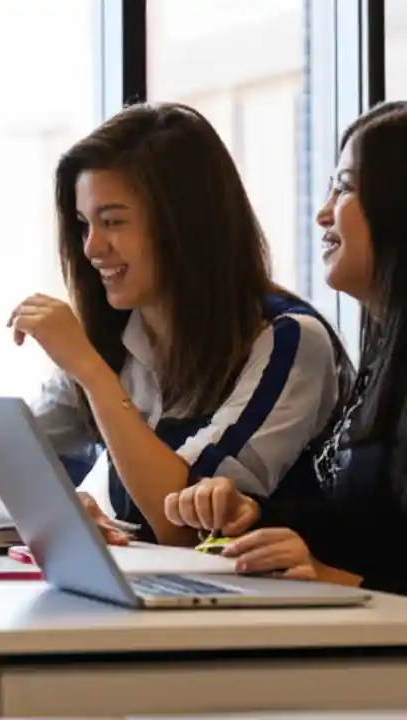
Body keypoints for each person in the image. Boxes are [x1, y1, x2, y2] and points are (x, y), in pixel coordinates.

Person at [12, 102, 350, 546]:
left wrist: (91, 374)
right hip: (153, 598)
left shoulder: (288, 340)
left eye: (112, 222)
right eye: (83, 225)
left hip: (251, 607)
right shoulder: (115, 334)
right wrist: (63, 508)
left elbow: (183, 523)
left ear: (182, 224)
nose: (92, 248)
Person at [164, 102, 407, 591]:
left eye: (344, 187)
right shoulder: (385, 356)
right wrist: (253, 514)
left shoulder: (291, 335)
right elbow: (367, 527)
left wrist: (334, 579)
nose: (323, 213)